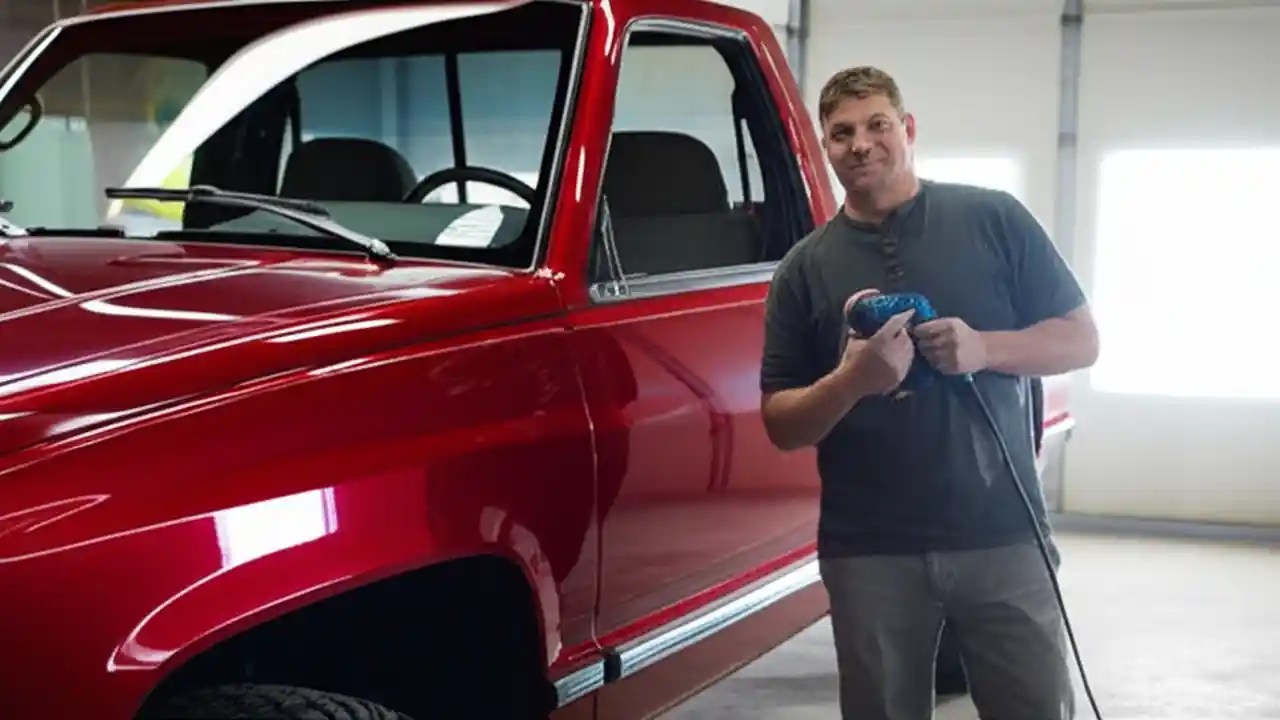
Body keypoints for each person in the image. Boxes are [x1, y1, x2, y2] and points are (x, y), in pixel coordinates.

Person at [759, 65, 1100, 720]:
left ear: (907, 129)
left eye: (876, 124)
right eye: (841, 133)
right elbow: (781, 423)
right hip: (870, 550)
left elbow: (1082, 340)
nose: (860, 143)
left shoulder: (993, 218)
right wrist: (853, 381)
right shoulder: (802, 269)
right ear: (825, 149)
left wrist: (986, 349)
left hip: (1003, 533)